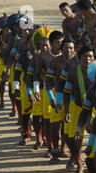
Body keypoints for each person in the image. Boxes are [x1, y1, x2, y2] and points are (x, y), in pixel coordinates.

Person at [63, 45, 96, 173]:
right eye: (84, 56)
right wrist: (67, 111)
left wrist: (90, 118)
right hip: (77, 108)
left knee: (95, 142)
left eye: (90, 56)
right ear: (79, 58)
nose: (87, 59)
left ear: (94, 58)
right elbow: (66, 93)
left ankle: (95, 172)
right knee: (71, 139)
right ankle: (79, 164)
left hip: (95, 110)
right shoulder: (72, 72)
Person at [33, 29, 64, 159]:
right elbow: (36, 74)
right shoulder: (43, 56)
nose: (61, 45)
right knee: (50, 122)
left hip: (65, 93)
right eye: (57, 43)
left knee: (64, 123)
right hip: (49, 91)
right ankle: (51, 148)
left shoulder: (69, 55)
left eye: (62, 42)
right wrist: (35, 90)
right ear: (51, 43)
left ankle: (63, 148)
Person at [45, 37, 76, 163]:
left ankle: (63, 148)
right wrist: (52, 99)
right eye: (66, 48)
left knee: (67, 126)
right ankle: (55, 151)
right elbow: (48, 81)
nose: (68, 50)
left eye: (71, 48)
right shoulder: (54, 62)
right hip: (58, 97)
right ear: (61, 49)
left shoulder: (77, 62)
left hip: (73, 99)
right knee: (54, 126)